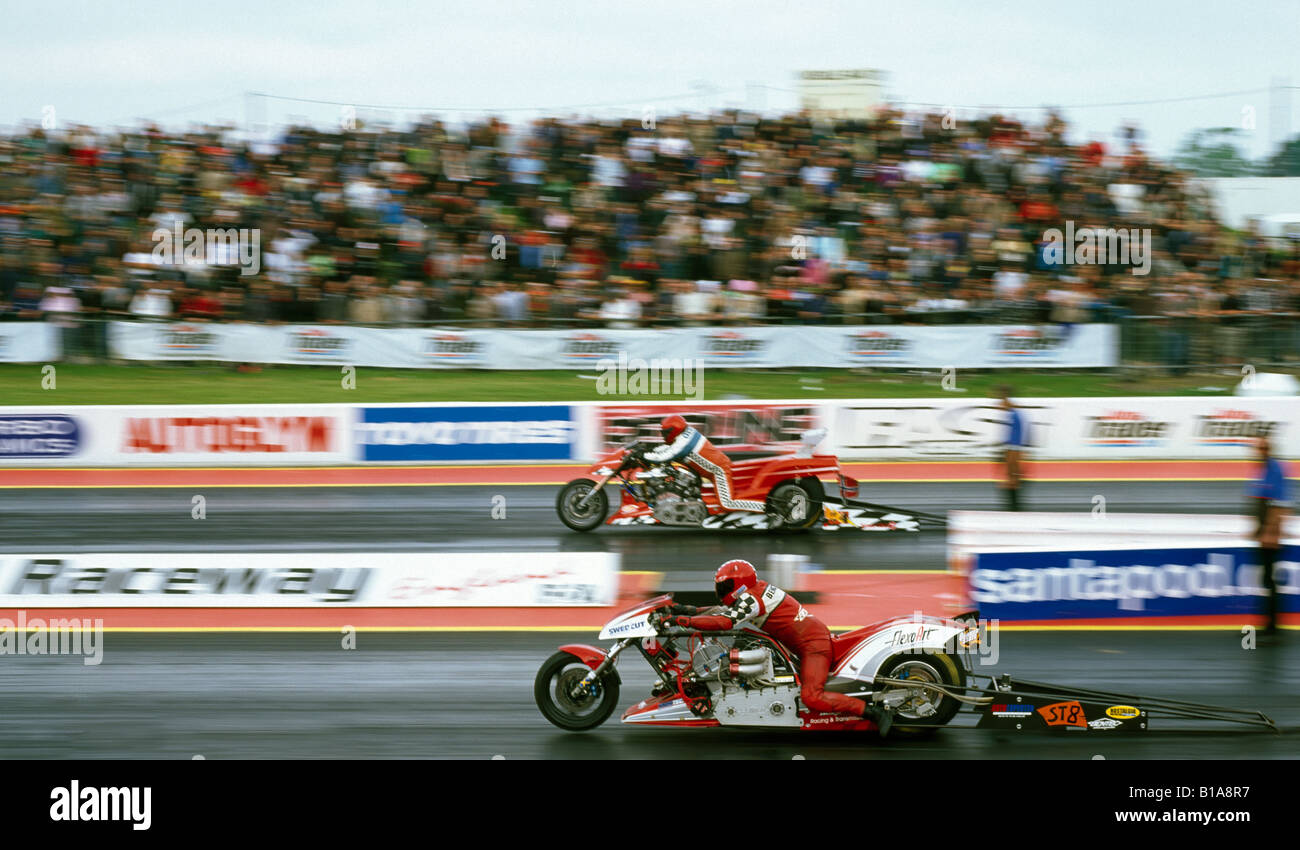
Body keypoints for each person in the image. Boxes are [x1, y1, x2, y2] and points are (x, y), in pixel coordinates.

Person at [651, 560, 868, 718]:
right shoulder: (754, 592)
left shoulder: (752, 600)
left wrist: (681, 620)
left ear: (740, 585)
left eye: (725, 586)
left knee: (812, 697)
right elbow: (720, 611)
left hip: (813, 646)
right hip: (802, 641)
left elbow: (724, 622)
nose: (721, 591)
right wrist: (685, 610)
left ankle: (870, 711)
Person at [639, 414, 764, 512]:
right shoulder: (685, 434)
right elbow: (668, 449)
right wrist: (649, 451)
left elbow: (667, 455)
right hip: (714, 470)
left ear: (674, 430)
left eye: (665, 433)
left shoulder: (683, 443)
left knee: (727, 503)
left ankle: (768, 510)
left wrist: (644, 455)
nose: (663, 435)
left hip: (719, 471)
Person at [1248, 434, 1290, 636]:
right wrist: (1255, 529)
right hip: (1263, 533)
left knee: (1269, 579)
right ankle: (1268, 623)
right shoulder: (1262, 469)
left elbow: (1279, 504)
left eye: (1263, 448)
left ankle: (1272, 626)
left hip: (1269, 535)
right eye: (1258, 449)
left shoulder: (1274, 469)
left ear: (1269, 449)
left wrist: (1269, 532)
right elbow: (1259, 501)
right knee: (1266, 579)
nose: (1260, 452)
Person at [997, 386, 1029, 511]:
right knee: (1012, 480)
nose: (999, 405)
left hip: (1014, 451)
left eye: (1000, 401)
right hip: (1012, 450)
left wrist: (1010, 457)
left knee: (1013, 481)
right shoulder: (1013, 414)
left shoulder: (1015, 415)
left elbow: (1016, 440)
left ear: (1005, 399)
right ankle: (1014, 508)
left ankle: (1014, 509)